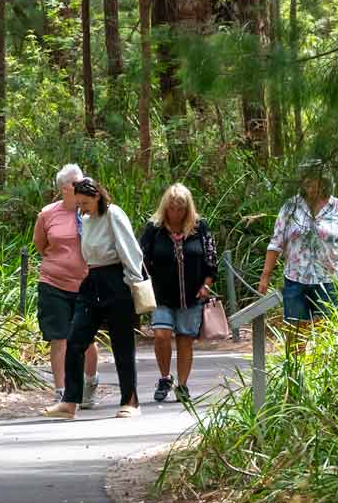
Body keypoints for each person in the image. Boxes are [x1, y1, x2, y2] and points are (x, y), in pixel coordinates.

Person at [45, 175, 150, 419]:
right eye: (79, 203)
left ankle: (130, 401)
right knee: (75, 340)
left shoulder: (113, 214)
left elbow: (130, 249)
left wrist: (134, 282)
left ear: (97, 196)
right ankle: (70, 401)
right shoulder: (85, 218)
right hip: (91, 281)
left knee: (122, 343)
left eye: (85, 203)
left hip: (117, 280)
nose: (82, 208)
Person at [258, 164, 338, 349]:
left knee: (327, 339)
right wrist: (265, 276)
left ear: (325, 183)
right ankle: (295, 376)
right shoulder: (290, 207)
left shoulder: (337, 207)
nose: (311, 187)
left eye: (316, 183)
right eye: (307, 182)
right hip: (295, 280)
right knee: (296, 339)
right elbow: (276, 242)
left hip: (329, 281)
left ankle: (323, 377)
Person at [139, 181, 218, 408]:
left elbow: (211, 258)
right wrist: (146, 284)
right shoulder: (154, 228)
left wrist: (207, 284)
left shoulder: (199, 227)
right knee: (162, 335)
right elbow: (142, 259)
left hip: (192, 295)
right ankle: (165, 378)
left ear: (188, 208)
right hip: (161, 295)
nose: (176, 213)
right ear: (165, 207)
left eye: (181, 208)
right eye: (172, 208)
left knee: (185, 339)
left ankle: (182, 384)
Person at [32, 162, 101, 409]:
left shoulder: (93, 212)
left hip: (86, 285)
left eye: (83, 180)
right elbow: (40, 246)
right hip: (53, 283)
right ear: (64, 188)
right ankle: (61, 392)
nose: (82, 185)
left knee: (87, 340)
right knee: (59, 338)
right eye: (75, 183)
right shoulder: (47, 214)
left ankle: (91, 382)